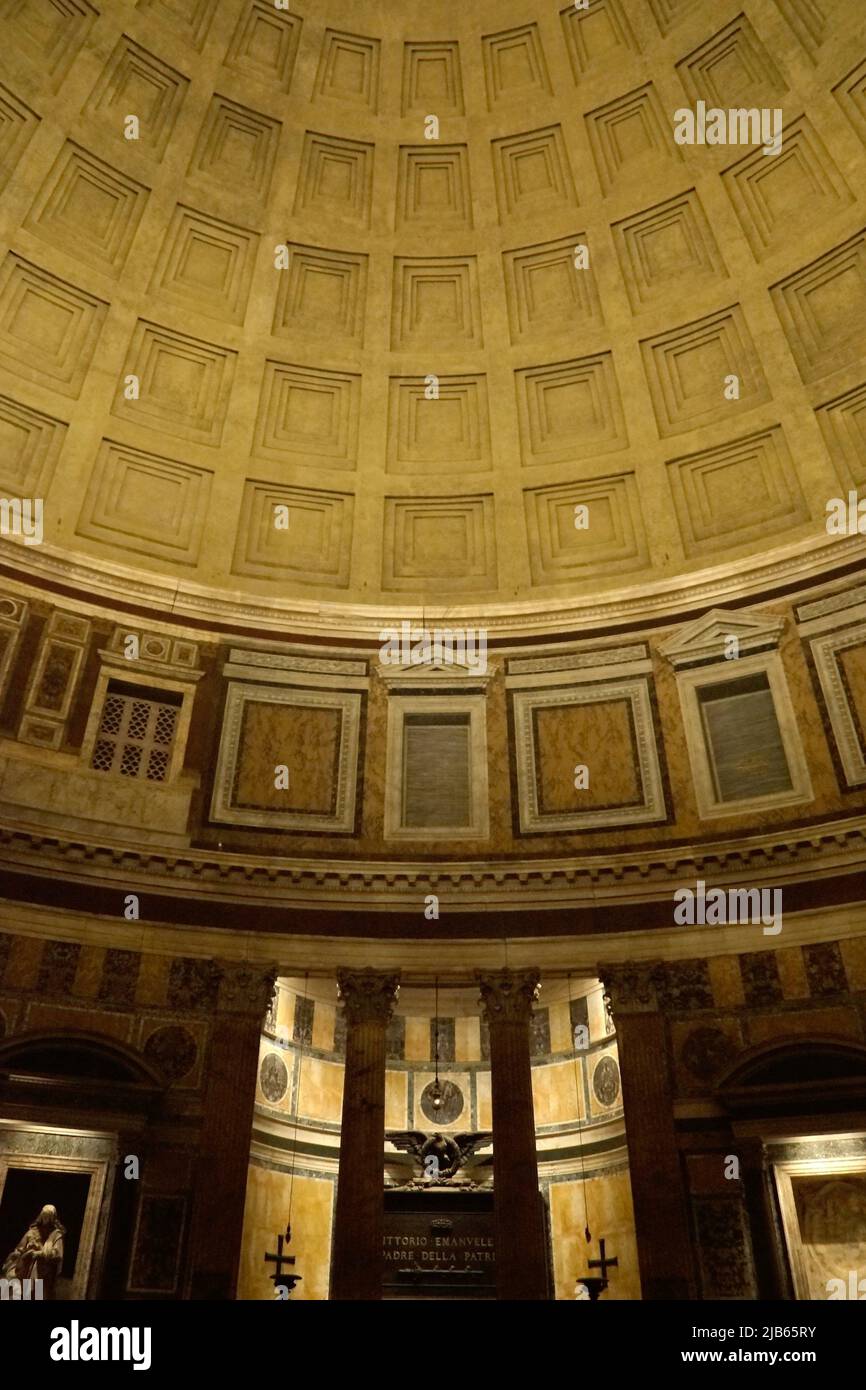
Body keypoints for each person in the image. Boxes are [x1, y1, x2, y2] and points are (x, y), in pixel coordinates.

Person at [1, 1204, 65, 1298]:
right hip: (26, 1268)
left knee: (37, 1295)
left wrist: (41, 1253)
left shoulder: (56, 1235)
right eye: (44, 1215)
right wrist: (25, 1250)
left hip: (42, 1272)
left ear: (53, 1217)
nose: (46, 1218)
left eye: (49, 1216)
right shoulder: (32, 1232)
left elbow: (58, 1254)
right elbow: (20, 1249)